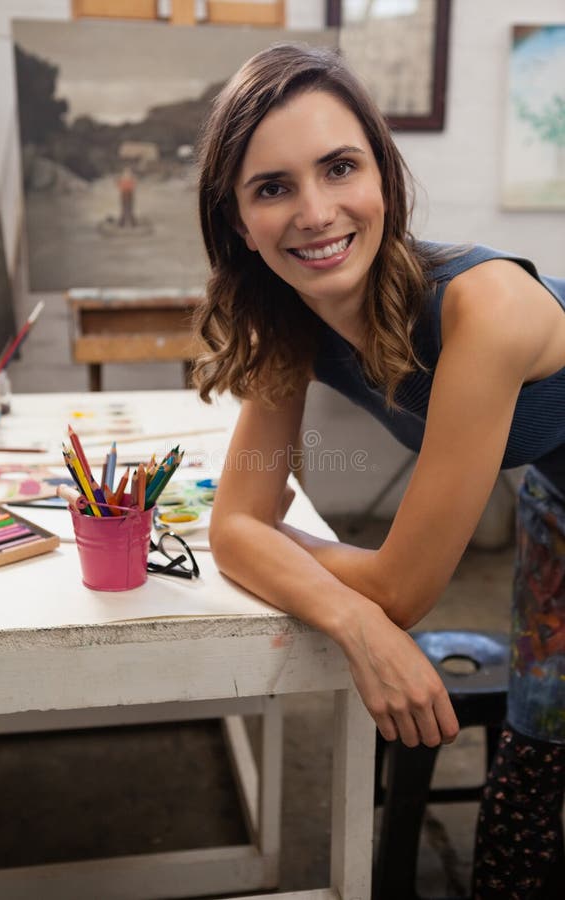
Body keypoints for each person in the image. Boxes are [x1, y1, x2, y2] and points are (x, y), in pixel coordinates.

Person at [192, 43, 565, 898]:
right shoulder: (289, 325)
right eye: (273, 187)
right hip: (557, 498)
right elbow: (235, 523)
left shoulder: (487, 307)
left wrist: (281, 550)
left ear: (385, 179)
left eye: (340, 167)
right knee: (537, 744)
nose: (316, 212)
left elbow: (396, 587)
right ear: (238, 221)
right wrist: (356, 625)